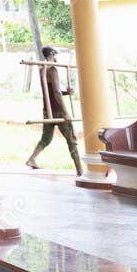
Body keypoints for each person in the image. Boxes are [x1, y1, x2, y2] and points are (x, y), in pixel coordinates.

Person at [27, 46, 83, 175]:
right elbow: (56, 92)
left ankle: (32, 159)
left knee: (46, 139)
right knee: (72, 140)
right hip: (58, 110)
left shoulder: (42, 69)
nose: (57, 58)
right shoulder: (52, 70)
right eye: (56, 55)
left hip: (47, 110)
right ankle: (80, 171)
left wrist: (66, 93)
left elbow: (52, 91)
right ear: (52, 54)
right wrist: (66, 112)